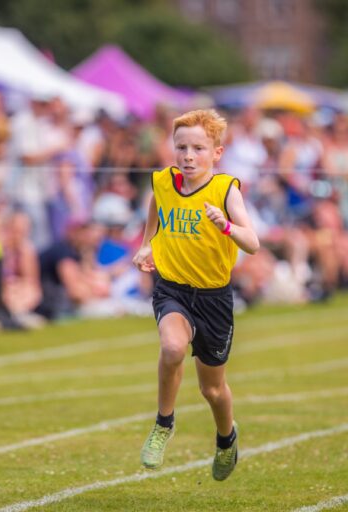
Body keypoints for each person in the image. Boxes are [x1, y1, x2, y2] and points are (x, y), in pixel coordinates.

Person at [132, 109, 259, 481]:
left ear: (216, 153)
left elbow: (252, 242)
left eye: (198, 149)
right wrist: (147, 244)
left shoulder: (225, 190)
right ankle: (163, 423)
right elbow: (157, 205)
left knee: (213, 389)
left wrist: (227, 225)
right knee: (172, 348)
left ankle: (226, 438)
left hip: (214, 299)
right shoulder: (163, 182)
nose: (188, 156)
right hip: (172, 289)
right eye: (181, 147)